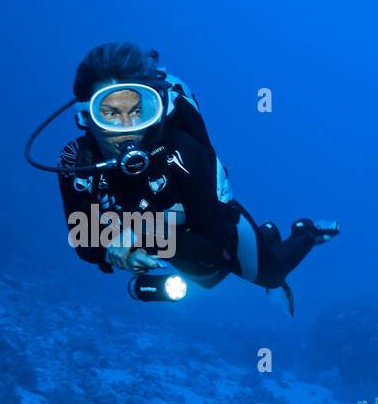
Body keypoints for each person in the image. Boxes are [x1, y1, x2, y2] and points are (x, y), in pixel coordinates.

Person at [54, 42, 335, 313]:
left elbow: (212, 244)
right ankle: (268, 235)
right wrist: (115, 252)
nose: (128, 128)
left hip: (219, 226)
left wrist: (140, 232)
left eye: (139, 111)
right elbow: (83, 239)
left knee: (268, 275)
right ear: (85, 117)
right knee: (210, 279)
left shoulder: (181, 151)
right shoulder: (75, 163)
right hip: (177, 244)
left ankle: (306, 231)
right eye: (110, 114)